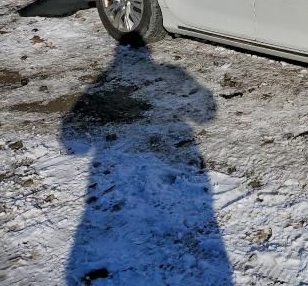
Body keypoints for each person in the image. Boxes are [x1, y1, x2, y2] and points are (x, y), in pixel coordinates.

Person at [60, 42, 232, 285]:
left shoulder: (105, 81)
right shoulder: (171, 73)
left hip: (121, 165)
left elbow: (74, 141)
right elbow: (207, 113)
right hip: (165, 162)